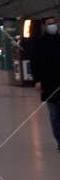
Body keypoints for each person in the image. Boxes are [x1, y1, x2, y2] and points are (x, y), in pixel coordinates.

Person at [27, 16, 60, 152]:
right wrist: (37, 80)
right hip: (48, 84)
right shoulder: (39, 43)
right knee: (54, 115)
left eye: (54, 23)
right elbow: (35, 63)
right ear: (44, 26)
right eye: (49, 24)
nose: (52, 26)